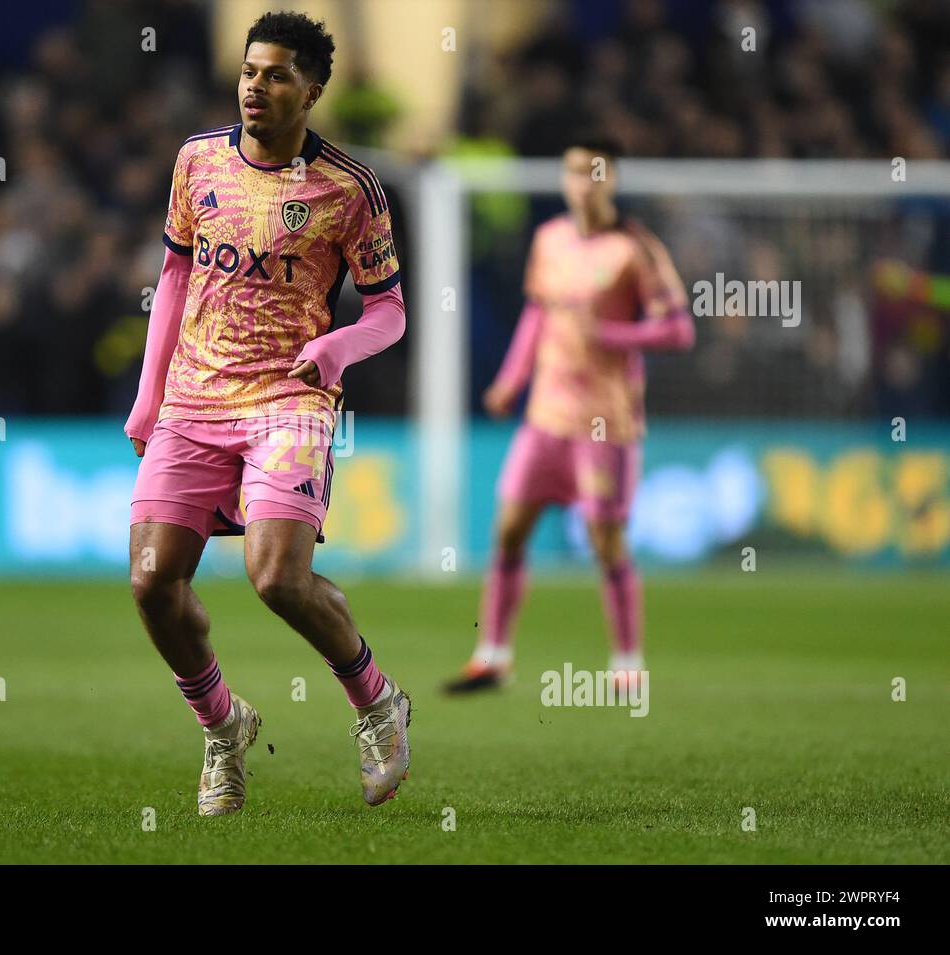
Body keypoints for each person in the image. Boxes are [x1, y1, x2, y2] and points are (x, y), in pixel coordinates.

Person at [124, 12, 410, 816]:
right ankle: (223, 728)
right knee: (152, 583)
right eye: (251, 71)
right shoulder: (197, 162)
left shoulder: (350, 191)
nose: (257, 85)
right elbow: (175, 279)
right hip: (193, 396)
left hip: (290, 398)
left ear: (312, 90)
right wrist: (149, 396)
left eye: (278, 74)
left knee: (276, 576)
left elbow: (389, 311)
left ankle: (377, 701)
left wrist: (338, 349)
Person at [445, 134, 695, 694]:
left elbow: (679, 328)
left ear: (612, 180)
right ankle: (492, 654)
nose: (582, 182)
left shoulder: (636, 248)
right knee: (509, 530)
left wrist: (613, 333)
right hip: (545, 416)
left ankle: (628, 664)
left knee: (605, 540)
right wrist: (511, 380)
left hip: (606, 421)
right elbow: (539, 313)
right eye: (574, 171)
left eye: (593, 172)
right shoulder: (549, 240)